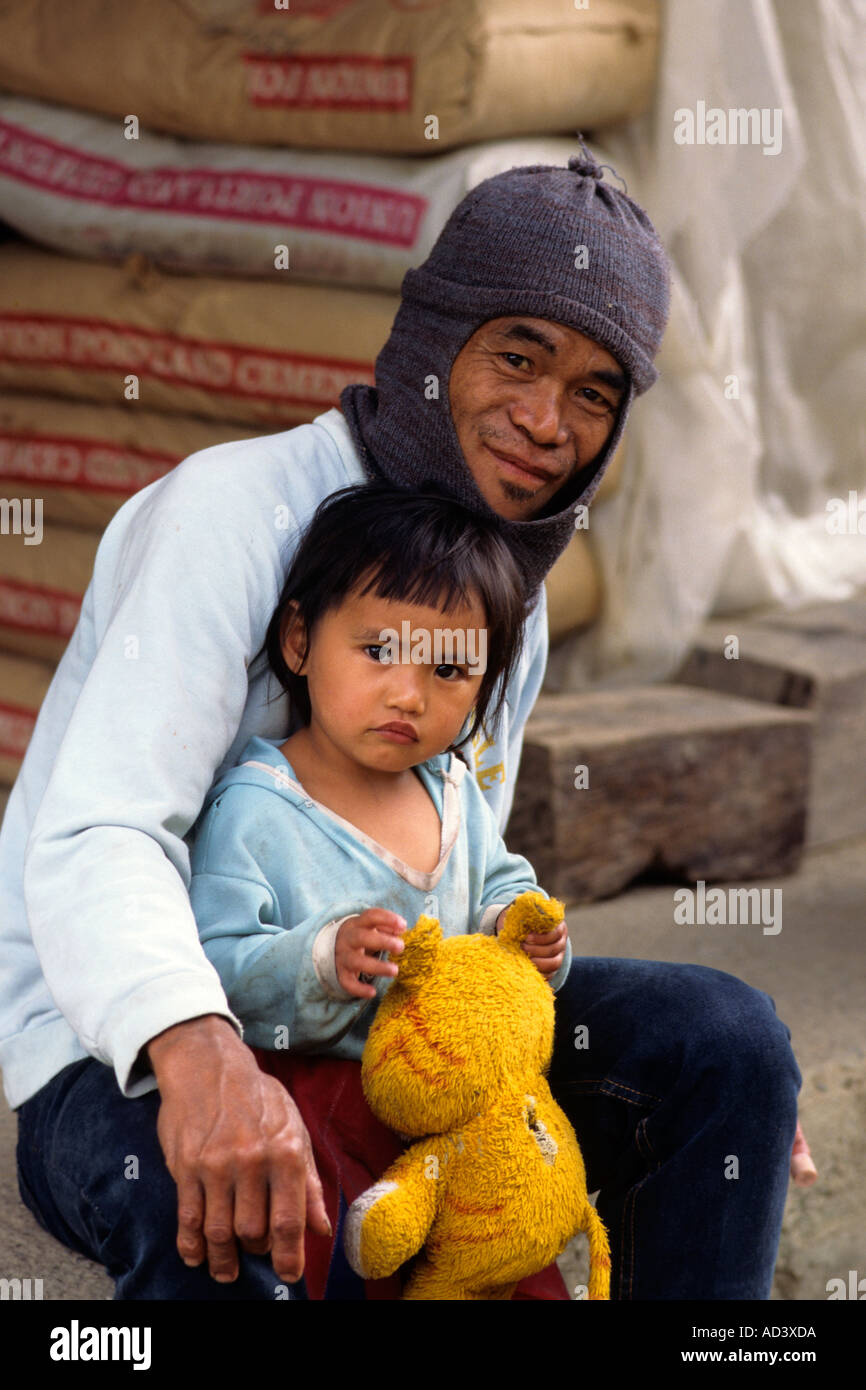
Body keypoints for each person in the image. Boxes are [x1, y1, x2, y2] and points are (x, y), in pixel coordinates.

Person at [4, 145, 801, 1300]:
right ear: (435, 342)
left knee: (725, 1046)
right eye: (517, 357)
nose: (544, 422)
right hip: (130, 1045)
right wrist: (201, 1053)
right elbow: (97, 835)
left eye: (592, 393)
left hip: (394, 1033)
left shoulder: (502, 589)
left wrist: (723, 1105)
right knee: (230, 1235)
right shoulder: (229, 515)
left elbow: (458, 872)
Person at [188, 482, 571, 1067]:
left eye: (447, 668)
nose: (408, 695)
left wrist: (519, 926)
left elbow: (502, 886)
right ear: (300, 642)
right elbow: (218, 966)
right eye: (378, 651)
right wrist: (323, 961)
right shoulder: (253, 809)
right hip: (322, 1094)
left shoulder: (453, 793)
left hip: (455, 1086)